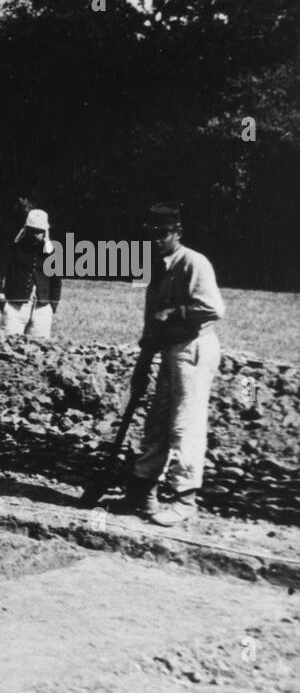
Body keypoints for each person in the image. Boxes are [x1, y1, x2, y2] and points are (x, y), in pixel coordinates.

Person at [125, 203, 225, 526]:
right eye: (150, 233)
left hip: (194, 347)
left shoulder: (194, 263)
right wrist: (143, 362)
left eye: (163, 234)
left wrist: (175, 313)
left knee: (186, 424)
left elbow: (213, 307)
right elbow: (150, 320)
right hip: (168, 349)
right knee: (157, 422)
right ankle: (143, 491)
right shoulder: (150, 266)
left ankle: (184, 499)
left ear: (177, 233)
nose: (155, 240)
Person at [0, 208, 60, 338]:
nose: (36, 235)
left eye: (40, 232)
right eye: (33, 231)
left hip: (42, 309)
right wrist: (2, 302)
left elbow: (56, 281)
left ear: (45, 232)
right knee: (6, 346)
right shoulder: (12, 248)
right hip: (14, 308)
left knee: (40, 349)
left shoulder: (50, 252)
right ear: (26, 229)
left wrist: (52, 305)